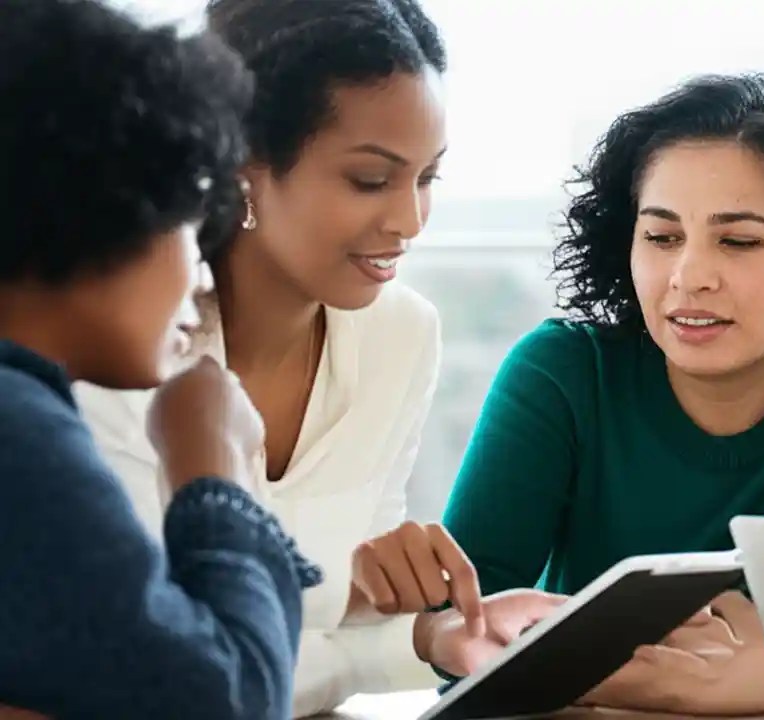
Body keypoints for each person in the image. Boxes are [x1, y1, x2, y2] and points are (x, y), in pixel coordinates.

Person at [75, 0, 562, 715]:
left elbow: (295, 642)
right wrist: (364, 607)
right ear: (242, 164)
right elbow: (164, 672)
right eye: (371, 180)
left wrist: (433, 638)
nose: (409, 221)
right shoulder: (120, 343)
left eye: (427, 178)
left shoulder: (399, 336)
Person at [442, 72, 764, 714]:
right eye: (662, 237)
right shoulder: (561, 373)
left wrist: (608, 672)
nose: (688, 278)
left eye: (738, 241)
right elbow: (461, 638)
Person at [0, 1, 321, 717]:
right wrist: (209, 465)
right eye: (187, 220)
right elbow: (229, 700)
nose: (202, 273)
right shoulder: (17, 432)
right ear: (103, 208)